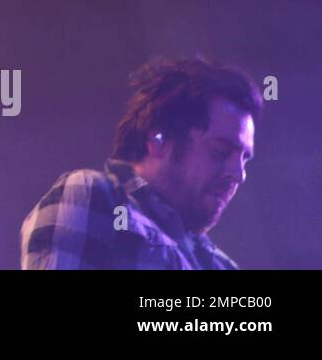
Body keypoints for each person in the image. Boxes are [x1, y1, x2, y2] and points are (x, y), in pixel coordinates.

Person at [20, 56, 260, 269]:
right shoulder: (94, 197)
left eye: (244, 159)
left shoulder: (220, 264)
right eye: (220, 150)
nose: (238, 174)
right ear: (158, 139)